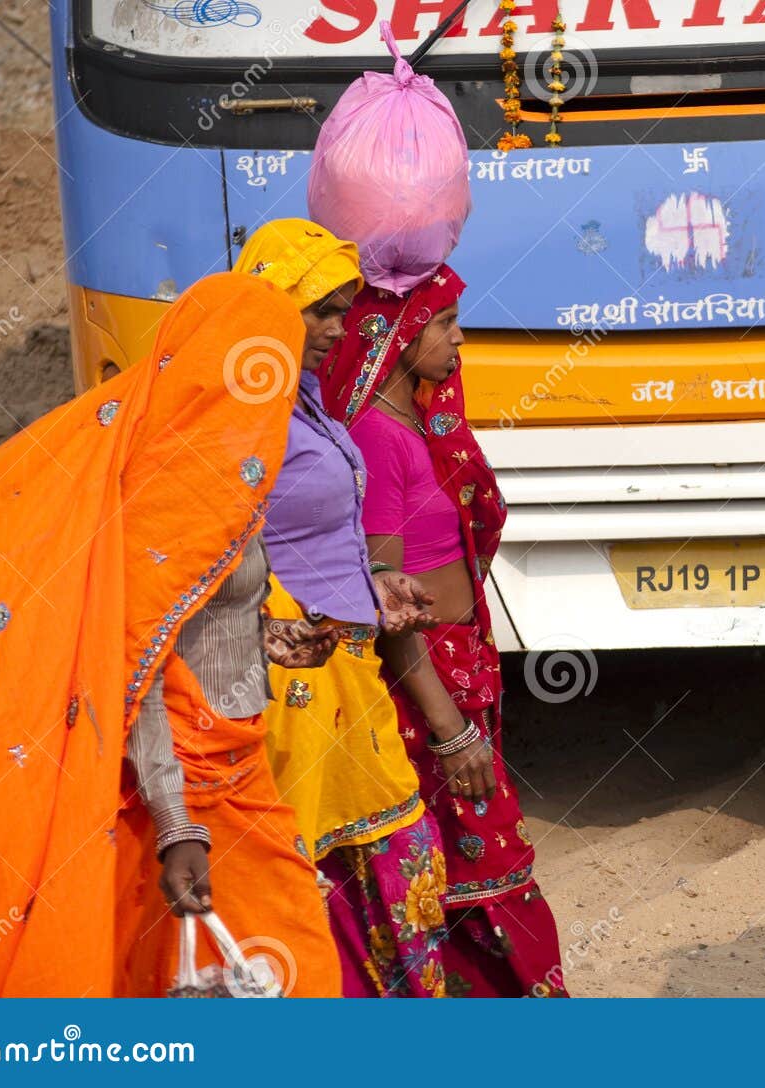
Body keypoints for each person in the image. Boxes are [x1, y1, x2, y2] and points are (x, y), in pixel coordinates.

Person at [0, 273, 337, 996]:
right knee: (281, 973)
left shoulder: (216, 470)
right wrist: (176, 825)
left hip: (232, 766)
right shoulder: (156, 486)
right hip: (170, 790)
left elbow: (192, 610)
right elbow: (125, 661)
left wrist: (264, 632)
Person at [322, 265, 567, 997]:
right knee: (469, 874)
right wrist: (449, 729)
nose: (459, 339)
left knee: (470, 871)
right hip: (422, 687)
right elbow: (388, 605)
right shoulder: (378, 439)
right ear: (398, 337)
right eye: (445, 323)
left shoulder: (413, 428)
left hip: (454, 671)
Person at [236, 220, 463, 997]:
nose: (338, 329)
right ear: (266, 308)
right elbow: (201, 555)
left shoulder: (303, 403)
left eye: (344, 309)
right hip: (289, 692)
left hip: (349, 676)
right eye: (319, 310)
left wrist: (374, 588)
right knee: (304, 893)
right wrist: (267, 625)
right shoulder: (233, 414)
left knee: (398, 887)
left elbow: (315, 539)